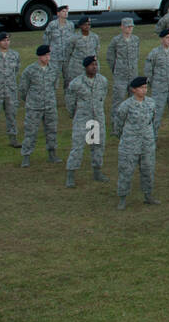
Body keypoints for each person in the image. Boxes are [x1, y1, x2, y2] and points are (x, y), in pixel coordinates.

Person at [113, 76, 157, 209]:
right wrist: (126, 137)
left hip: (147, 143)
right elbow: (118, 124)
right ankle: (122, 198)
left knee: (148, 169)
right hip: (130, 143)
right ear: (133, 90)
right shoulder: (126, 106)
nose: (144, 90)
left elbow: (152, 120)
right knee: (126, 170)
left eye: (145, 88)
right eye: (141, 88)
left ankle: (148, 195)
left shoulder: (151, 103)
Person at [65, 54, 109, 187]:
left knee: (97, 146)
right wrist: (75, 114)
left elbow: (103, 96)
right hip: (82, 119)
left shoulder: (102, 81)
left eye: (96, 65)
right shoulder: (76, 83)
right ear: (85, 67)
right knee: (78, 147)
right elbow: (70, 102)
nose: (94, 67)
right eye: (91, 65)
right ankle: (70, 175)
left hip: (97, 119)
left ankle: (97, 171)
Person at [19, 44, 62, 167]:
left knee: (52, 130)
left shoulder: (54, 69)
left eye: (49, 55)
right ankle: (26, 156)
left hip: (50, 105)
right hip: (34, 106)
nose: (48, 57)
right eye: (45, 55)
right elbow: (23, 89)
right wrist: (30, 100)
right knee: (30, 132)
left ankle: (52, 153)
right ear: (39, 56)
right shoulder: (30, 70)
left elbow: (55, 86)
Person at [145, 28, 169, 142]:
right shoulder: (154, 53)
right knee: (156, 115)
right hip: (159, 88)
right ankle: (153, 139)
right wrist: (154, 84)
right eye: (167, 38)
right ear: (162, 39)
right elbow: (148, 72)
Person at [107, 17, 140, 102]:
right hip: (120, 76)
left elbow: (137, 55)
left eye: (131, 26)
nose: (130, 28)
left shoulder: (136, 39)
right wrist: (115, 68)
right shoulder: (116, 40)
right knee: (118, 99)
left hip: (133, 74)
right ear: (122, 27)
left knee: (133, 99)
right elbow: (110, 56)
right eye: (127, 26)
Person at [67, 17, 99, 86]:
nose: (87, 26)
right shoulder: (73, 38)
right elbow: (68, 52)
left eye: (89, 24)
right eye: (85, 24)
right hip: (77, 67)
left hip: (91, 67)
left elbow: (96, 50)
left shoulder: (95, 37)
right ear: (80, 26)